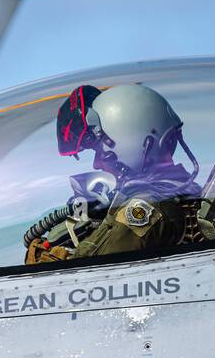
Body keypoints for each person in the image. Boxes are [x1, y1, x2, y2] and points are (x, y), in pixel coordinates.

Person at [26, 83, 204, 264]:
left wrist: (39, 254)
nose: (96, 163)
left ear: (129, 145)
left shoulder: (146, 208)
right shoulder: (182, 189)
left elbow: (82, 273)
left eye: (100, 153)